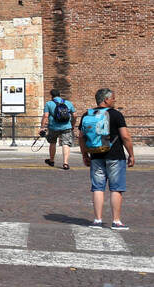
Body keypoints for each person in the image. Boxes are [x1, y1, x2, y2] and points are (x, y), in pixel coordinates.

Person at [79, 88, 135, 229]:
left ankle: (97, 220)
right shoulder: (116, 115)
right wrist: (131, 154)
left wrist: (85, 154)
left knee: (98, 187)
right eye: (113, 98)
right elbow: (125, 137)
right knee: (116, 188)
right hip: (115, 155)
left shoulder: (87, 114)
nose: (114, 100)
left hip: (96, 155)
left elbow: (81, 137)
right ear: (106, 100)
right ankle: (116, 221)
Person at [40, 88, 76, 169]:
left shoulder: (49, 104)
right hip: (66, 126)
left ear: (51, 95)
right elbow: (75, 115)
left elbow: (46, 116)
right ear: (60, 94)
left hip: (53, 127)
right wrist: (72, 124)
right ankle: (65, 163)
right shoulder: (68, 103)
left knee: (52, 143)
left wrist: (42, 127)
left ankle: (52, 160)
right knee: (66, 144)